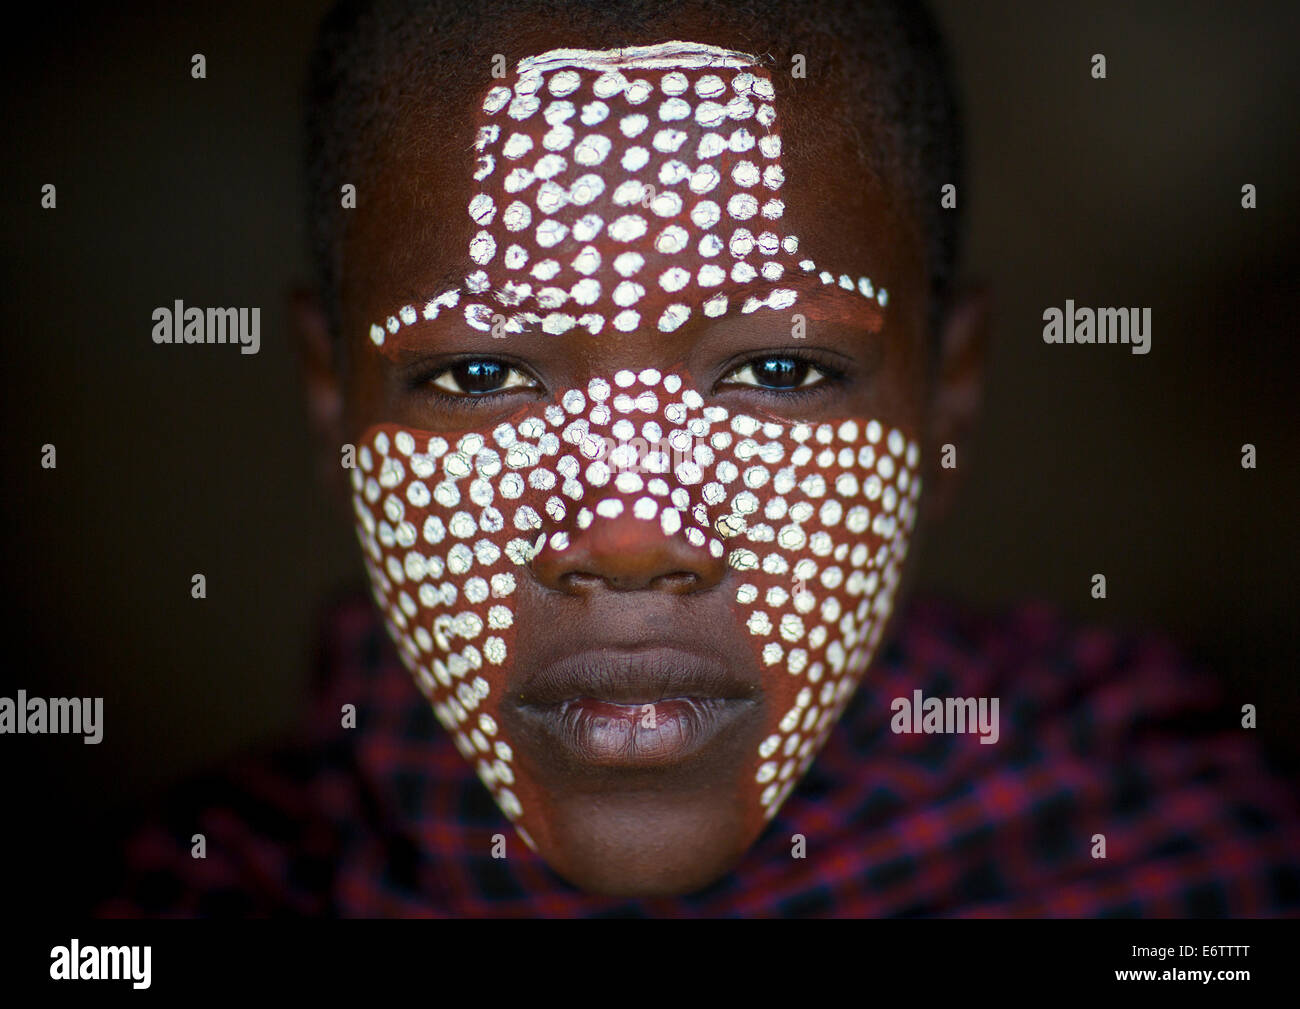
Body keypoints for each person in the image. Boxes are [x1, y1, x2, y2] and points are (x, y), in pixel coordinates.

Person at [94, 0, 1300, 916]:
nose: (629, 531)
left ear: (945, 404)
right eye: (479, 375)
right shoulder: (197, 896)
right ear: (333, 407)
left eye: (778, 372)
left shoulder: (1161, 857)